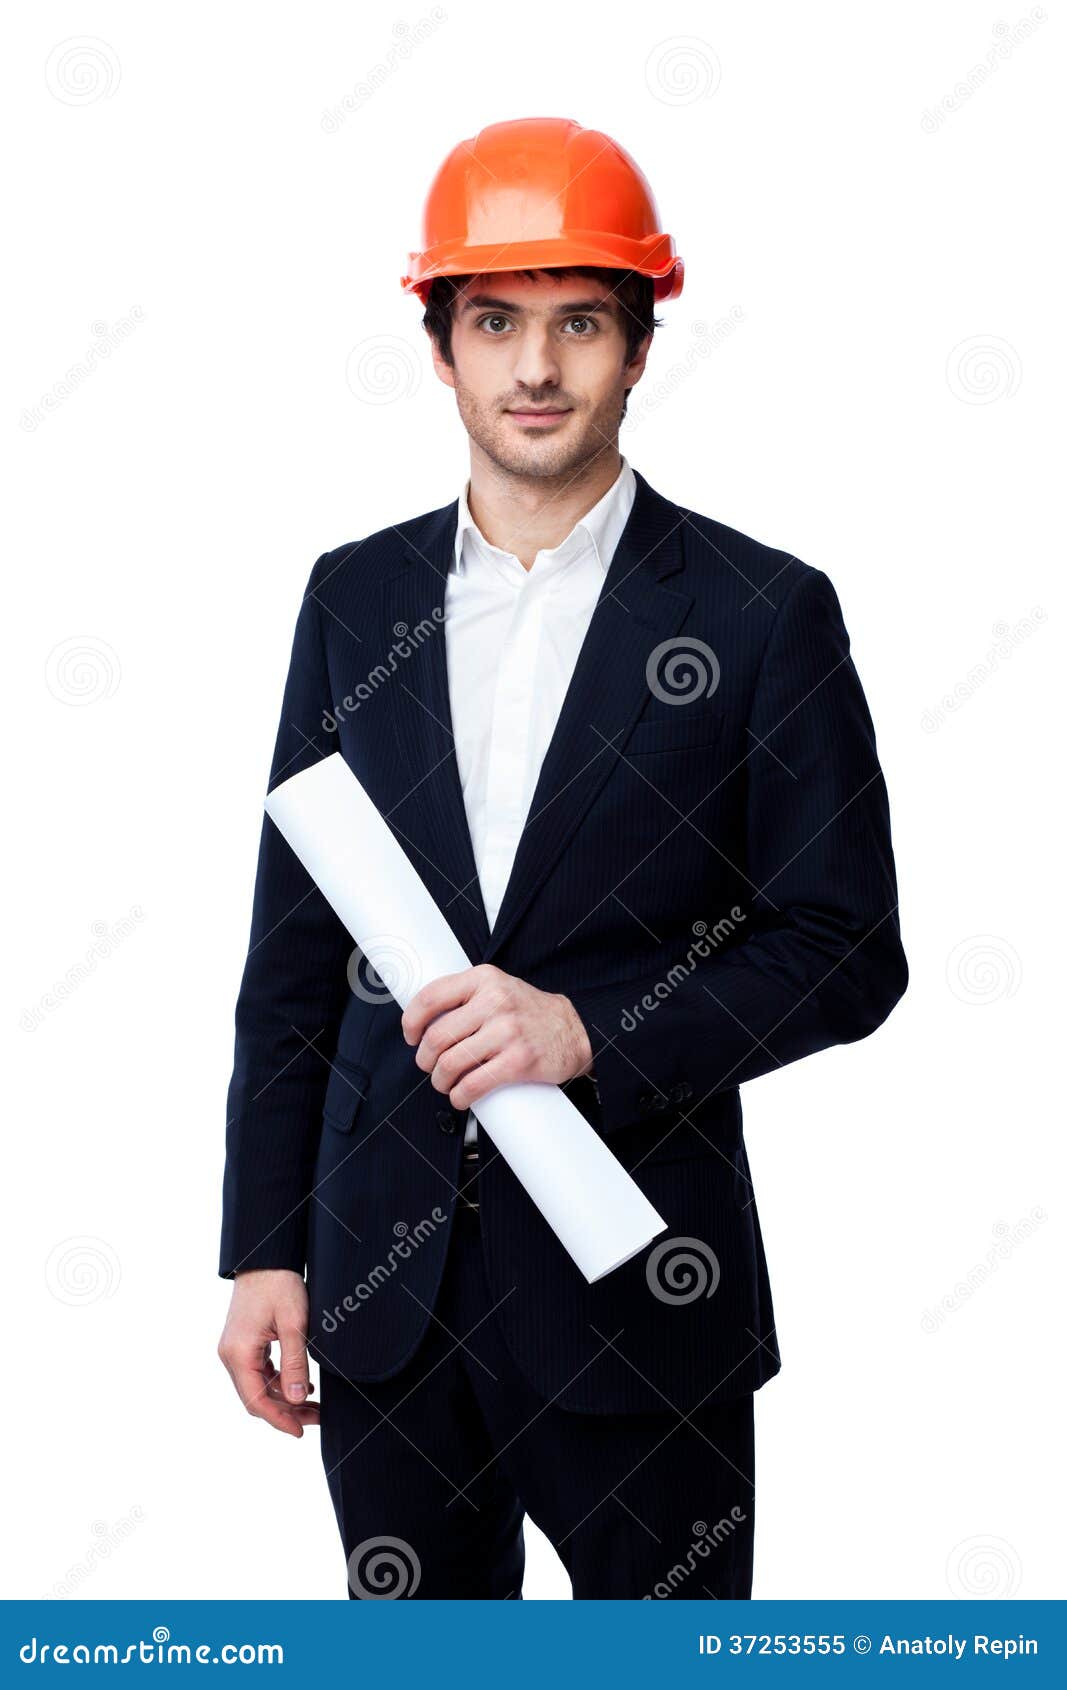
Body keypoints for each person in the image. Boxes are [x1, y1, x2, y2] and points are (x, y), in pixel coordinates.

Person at [217, 116, 908, 1600]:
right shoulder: (355, 599)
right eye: (497, 322)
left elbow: (845, 942)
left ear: (641, 347)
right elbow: (292, 961)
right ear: (443, 347)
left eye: (580, 322)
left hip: (642, 1303)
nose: (536, 367)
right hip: (382, 1300)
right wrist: (264, 1246)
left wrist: (591, 1029)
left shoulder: (756, 612)